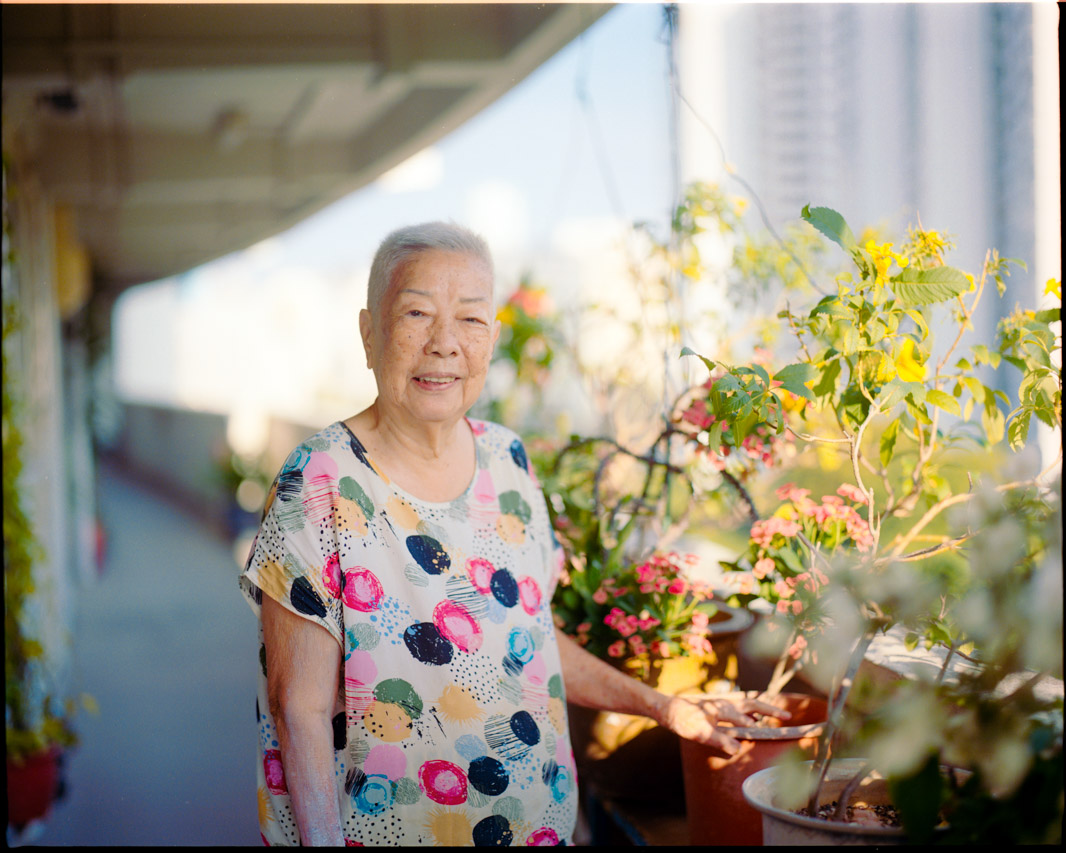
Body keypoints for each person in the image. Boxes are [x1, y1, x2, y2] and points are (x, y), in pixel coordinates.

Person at [238, 222, 787, 846]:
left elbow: (530, 640)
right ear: (369, 332)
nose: (444, 343)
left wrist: (665, 707)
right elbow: (298, 708)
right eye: (417, 313)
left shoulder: (509, 462)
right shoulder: (320, 480)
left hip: (537, 828)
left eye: (470, 320)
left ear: (493, 340)